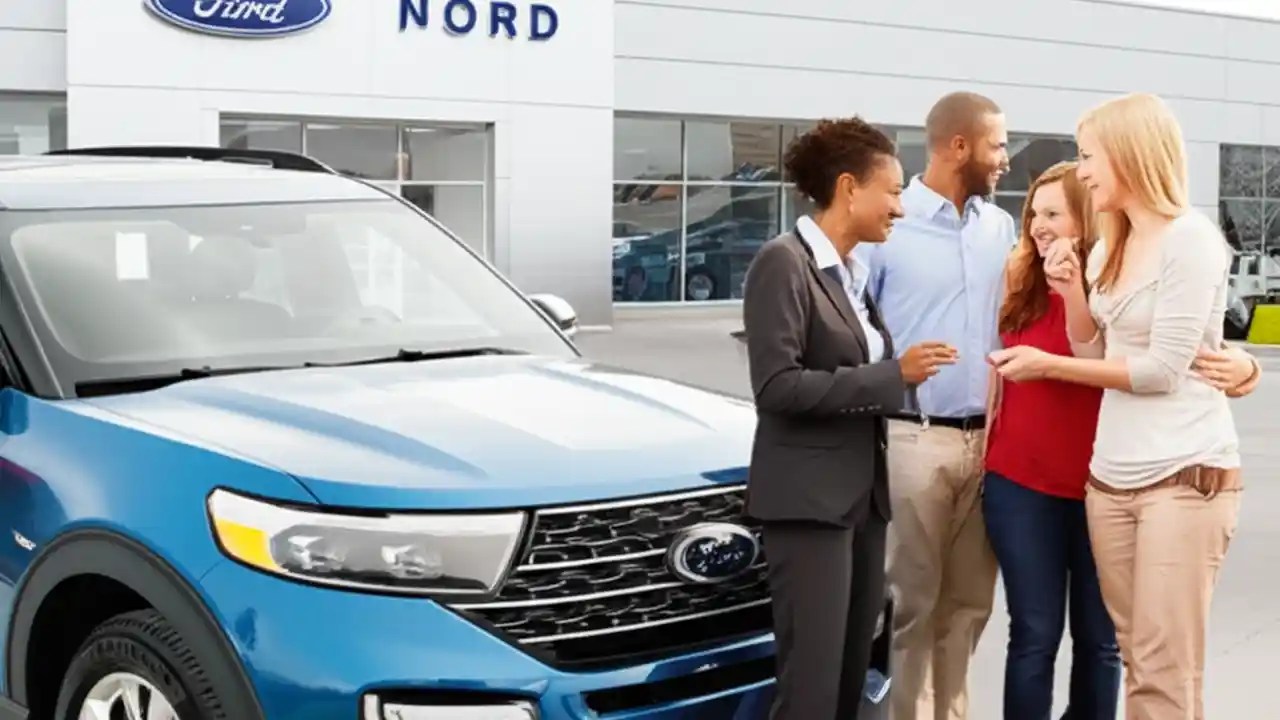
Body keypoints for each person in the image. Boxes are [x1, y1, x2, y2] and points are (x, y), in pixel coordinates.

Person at [990, 92, 1262, 719]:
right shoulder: (1113, 241)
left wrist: (1047, 366)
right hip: (1110, 482)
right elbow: (1095, 342)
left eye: (1089, 156)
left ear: (1130, 154)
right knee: (1138, 656)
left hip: (1183, 475)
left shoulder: (1189, 239)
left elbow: (1164, 371)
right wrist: (1072, 291)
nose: (1081, 170)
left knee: (1163, 670)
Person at [741, 117, 958, 720]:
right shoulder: (783, 264)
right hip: (809, 505)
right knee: (810, 687)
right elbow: (777, 387)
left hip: (860, 502)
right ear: (849, 188)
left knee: (848, 680)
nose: (900, 208)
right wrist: (896, 376)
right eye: (892, 192)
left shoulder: (853, 275)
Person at [859, 91, 1014, 720]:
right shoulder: (889, 227)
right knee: (913, 605)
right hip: (915, 440)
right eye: (997, 145)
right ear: (959, 146)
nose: (1005, 158)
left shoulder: (999, 227)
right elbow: (854, 328)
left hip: (990, 443)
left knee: (970, 606)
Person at [982, 160, 1120, 719]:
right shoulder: (1019, 276)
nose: (1038, 225)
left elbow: (1119, 364)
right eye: (1033, 213)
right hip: (1020, 482)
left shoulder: (1117, 285)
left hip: (1102, 487)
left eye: (1053, 213)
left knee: (1100, 639)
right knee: (1034, 633)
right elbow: (998, 378)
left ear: (1085, 219)